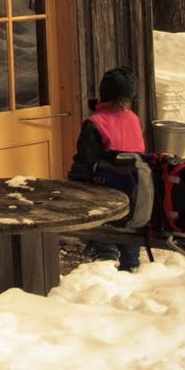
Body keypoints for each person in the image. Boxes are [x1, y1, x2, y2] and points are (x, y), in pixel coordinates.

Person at [69, 65, 146, 272]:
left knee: (104, 247)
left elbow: (84, 164)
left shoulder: (94, 123)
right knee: (129, 246)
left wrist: (71, 191)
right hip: (134, 195)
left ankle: (106, 262)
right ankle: (131, 269)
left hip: (103, 197)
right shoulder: (133, 119)